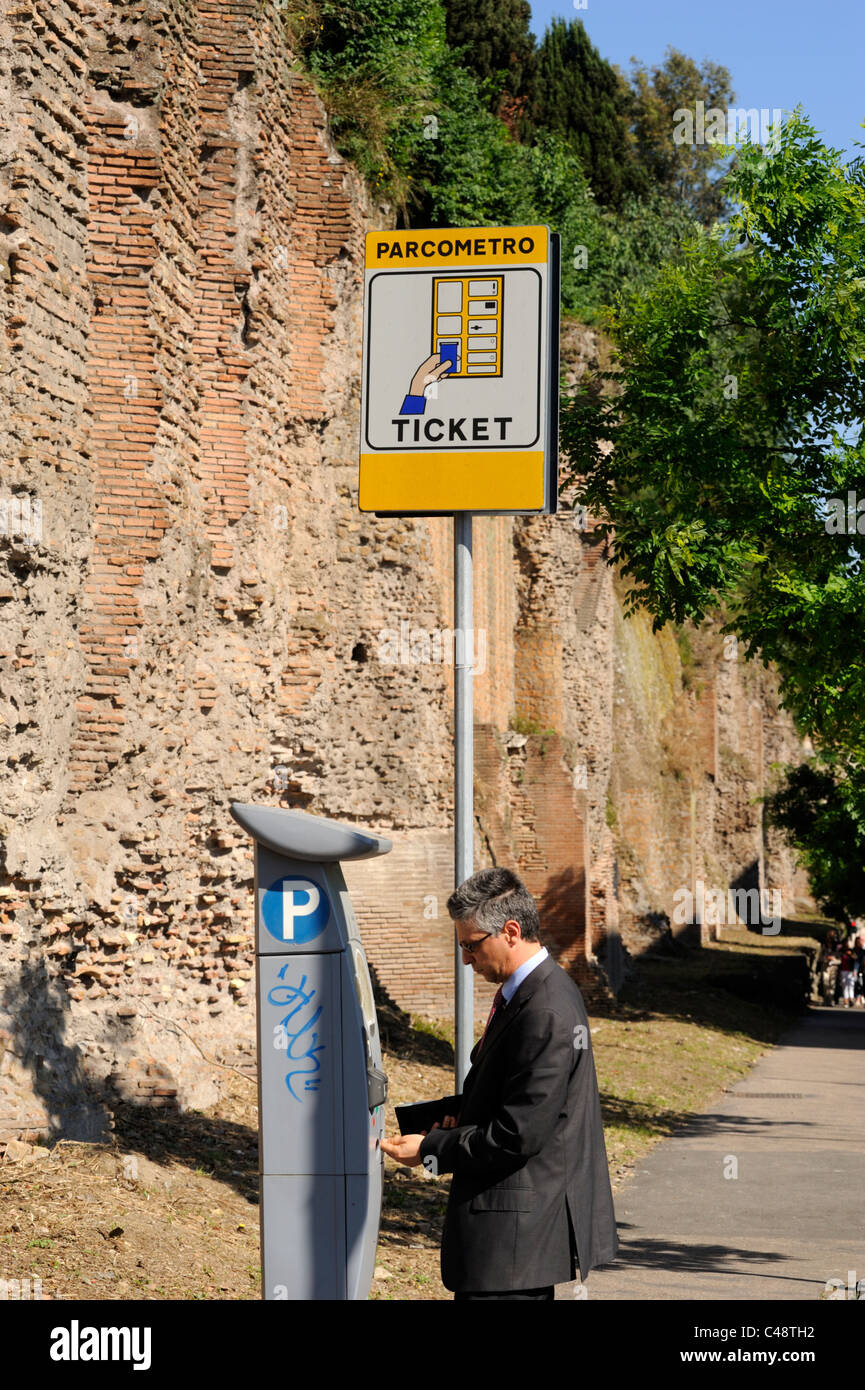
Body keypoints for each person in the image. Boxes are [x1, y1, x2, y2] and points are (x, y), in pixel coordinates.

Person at [380, 867, 618, 1299]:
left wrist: (430, 1150)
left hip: (514, 1244)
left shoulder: (545, 1008)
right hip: (510, 1240)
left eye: (471, 946)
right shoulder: (526, 994)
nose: (467, 959)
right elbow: (509, 1097)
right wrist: (439, 1123)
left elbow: (518, 1134)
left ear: (510, 931)